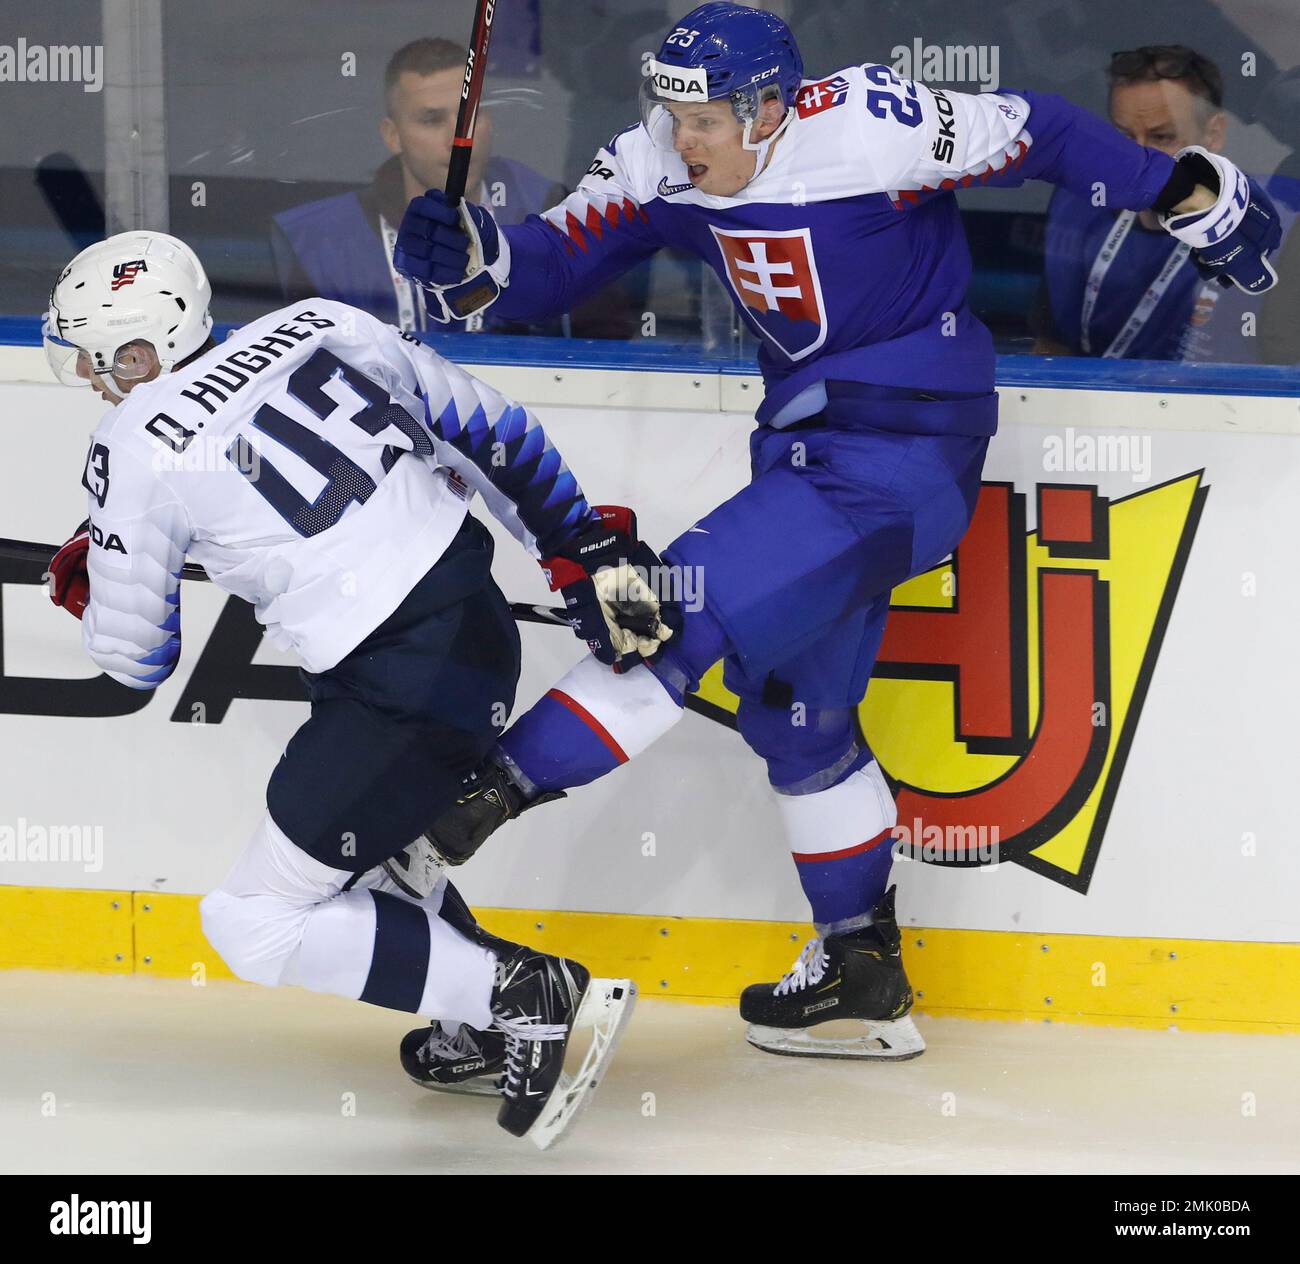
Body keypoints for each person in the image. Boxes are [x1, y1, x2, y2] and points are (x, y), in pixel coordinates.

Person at [387, 2, 1280, 1076]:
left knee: (660, 616)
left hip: (902, 465)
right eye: (668, 117)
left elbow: (1041, 127)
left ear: (769, 107)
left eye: (704, 119)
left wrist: (1181, 192)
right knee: (801, 722)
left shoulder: (872, 124)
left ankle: (450, 817)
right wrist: (473, 246)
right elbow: (542, 267)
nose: (682, 141)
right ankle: (860, 969)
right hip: (805, 461)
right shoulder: (662, 163)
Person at [41, 229, 668, 1146]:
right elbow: (493, 429)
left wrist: (95, 582)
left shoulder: (131, 441)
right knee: (364, 852)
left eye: (102, 359)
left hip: (398, 684)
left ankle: (520, 993)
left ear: (142, 350)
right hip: (472, 631)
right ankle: (479, 1022)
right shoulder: (319, 325)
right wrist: (580, 548)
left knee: (252, 922)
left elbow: (136, 660)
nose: (96, 380)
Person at [270, 38, 576, 336]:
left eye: (469, 116)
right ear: (392, 136)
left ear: (488, 119)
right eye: (432, 120)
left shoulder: (548, 210)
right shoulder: (318, 241)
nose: (459, 141)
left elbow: (601, 351)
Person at [1034, 45, 1291, 362]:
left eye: (1162, 138)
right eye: (1123, 138)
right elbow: (1050, 348)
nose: (1136, 161)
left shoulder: (1261, 226)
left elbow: (1280, 373)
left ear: (1213, 135)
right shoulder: (1077, 205)